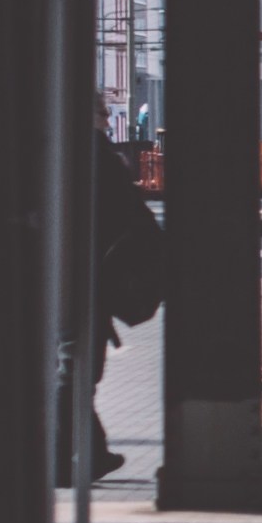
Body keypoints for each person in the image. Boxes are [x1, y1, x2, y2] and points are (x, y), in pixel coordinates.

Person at [61, 130, 168, 482]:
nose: (107, 120)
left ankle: (86, 452)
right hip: (85, 279)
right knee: (75, 367)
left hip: (68, 277)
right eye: (102, 112)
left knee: (73, 366)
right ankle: (69, 456)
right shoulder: (94, 154)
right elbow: (128, 218)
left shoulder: (58, 149)